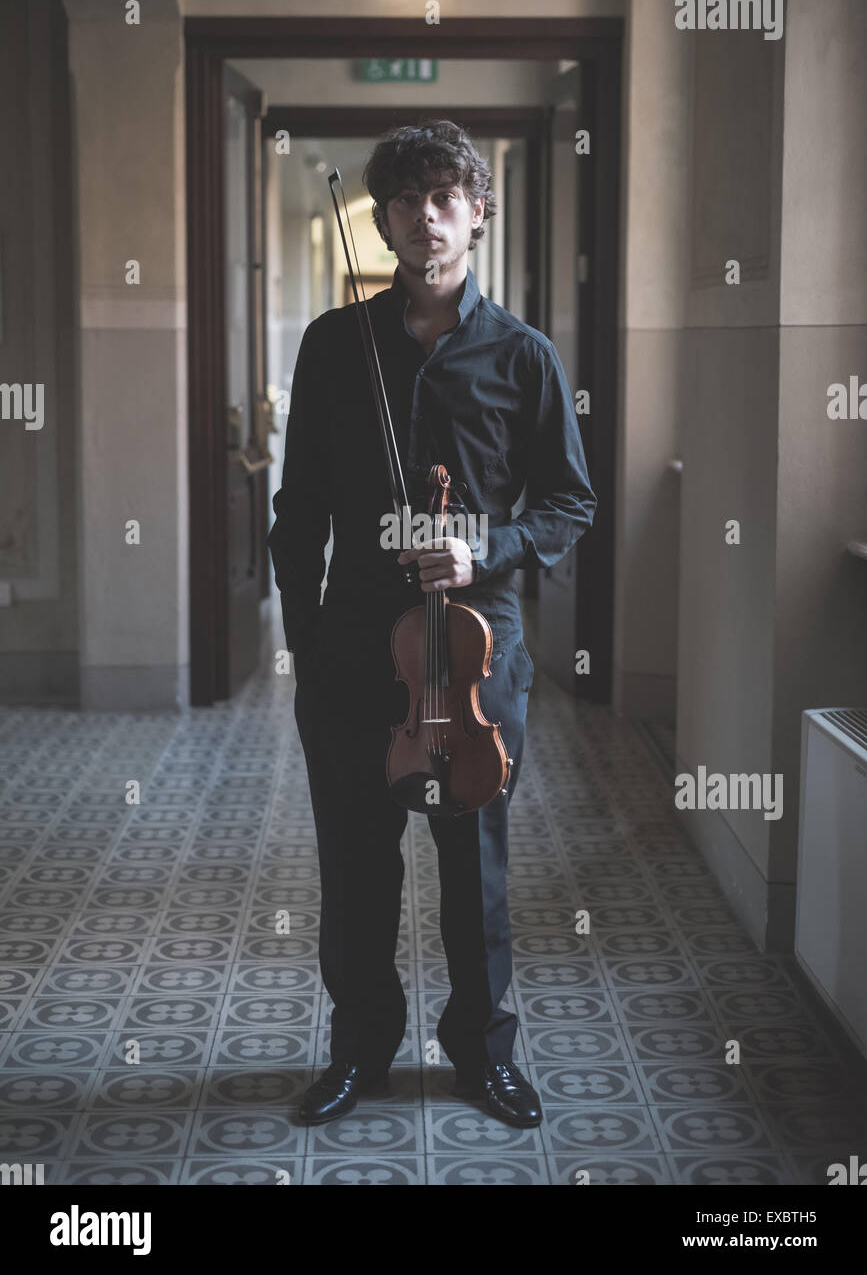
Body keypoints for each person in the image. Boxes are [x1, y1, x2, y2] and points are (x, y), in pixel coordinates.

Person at [268, 120, 596, 1129]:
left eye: (446, 196)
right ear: (384, 218)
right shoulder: (335, 345)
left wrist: (483, 551)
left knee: (474, 869)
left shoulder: (524, 355)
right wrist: (306, 639)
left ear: (478, 213)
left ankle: (480, 1055)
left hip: (476, 650)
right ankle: (361, 1049)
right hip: (356, 651)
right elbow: (298, 512)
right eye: (406, 199)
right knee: (358, 868)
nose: (426, 216)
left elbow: (568, 504)